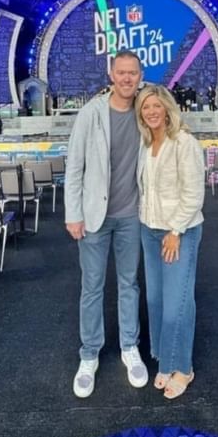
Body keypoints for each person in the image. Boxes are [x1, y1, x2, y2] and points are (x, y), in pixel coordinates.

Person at [65, 51, 147, 399]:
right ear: (111, 74)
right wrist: (73, 214)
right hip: (94, 218)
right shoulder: (91, 113)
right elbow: (75, 168)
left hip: (132, 216)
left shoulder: (147, 110)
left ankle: (130, 347)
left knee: (129, 284)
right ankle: (89, 355)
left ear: (140, 76)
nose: (127, 78)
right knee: (92, 287)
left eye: (133, 73)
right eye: (121, 72)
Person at [135, 84, 205, 400]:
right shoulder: (145, 143)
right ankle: (166, 358)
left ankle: (184, 367)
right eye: (145, 107)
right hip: (149, 230)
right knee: (156, 301)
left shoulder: (183, 143)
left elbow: (193, 194)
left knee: (177, 302)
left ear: (167, 108)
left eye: (155, 105)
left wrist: (175, 230)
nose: (151, 111)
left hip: (179, 232)